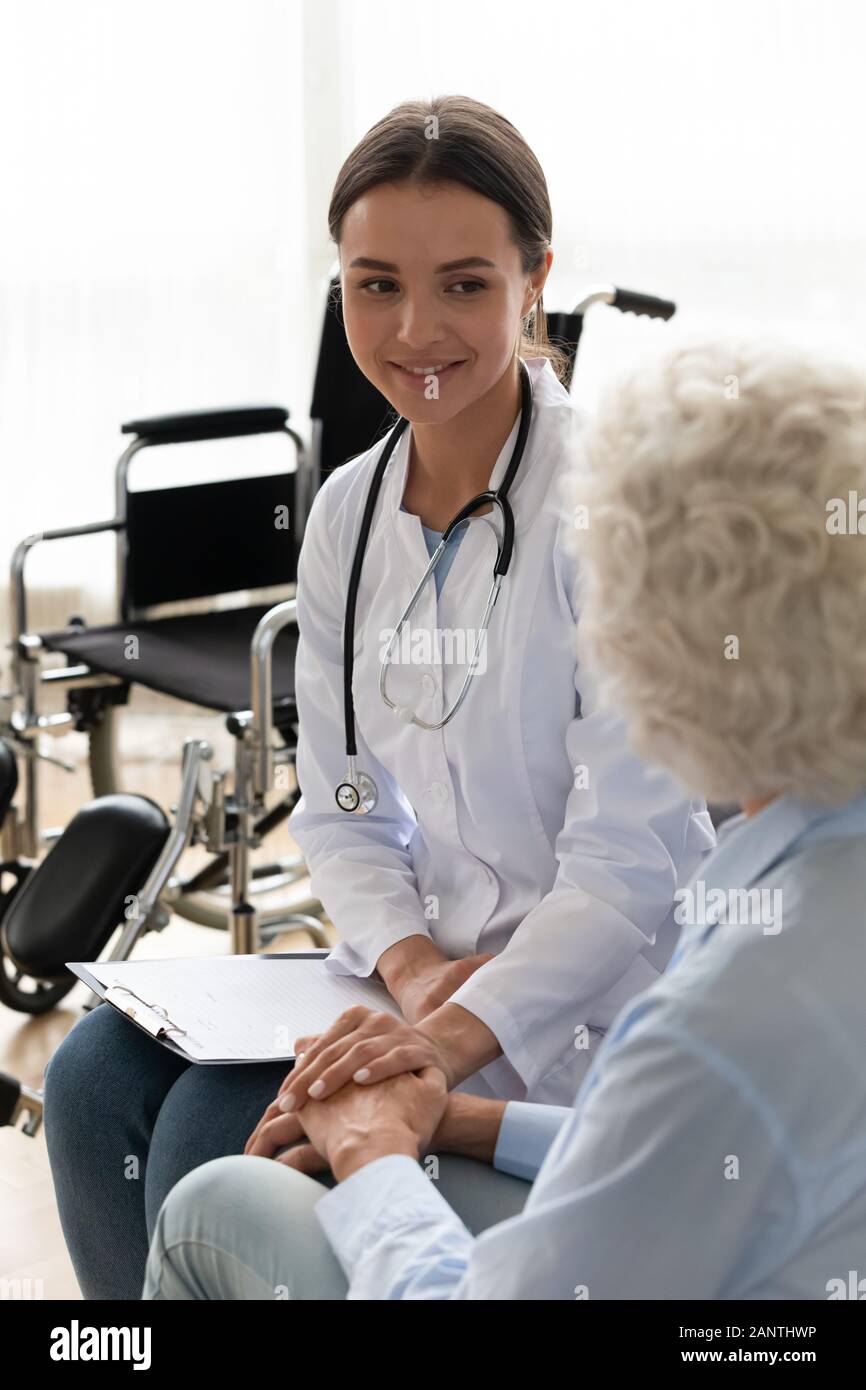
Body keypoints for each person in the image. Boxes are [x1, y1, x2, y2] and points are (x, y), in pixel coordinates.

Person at [42, 94, 711, 1302]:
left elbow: (628, 867)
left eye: (462, 284)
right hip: (405, 977)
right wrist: (406, 966)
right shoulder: (346, 513)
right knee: (94, 1078)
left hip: (578, 1014)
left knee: (221, 1141)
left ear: (535, 276)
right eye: (372, 284)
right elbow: (343, 798)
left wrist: (441, 1035)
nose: (414, 330)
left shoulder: (616, 511)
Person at [143, 339, 866, 1300]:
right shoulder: (793, 912)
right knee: (102, 1078)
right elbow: (672, 1144)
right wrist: (452, 1107)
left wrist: (376, 1157)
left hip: (557, 1023)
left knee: (219, 1193)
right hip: (463, 1023)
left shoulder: (719, 1017)